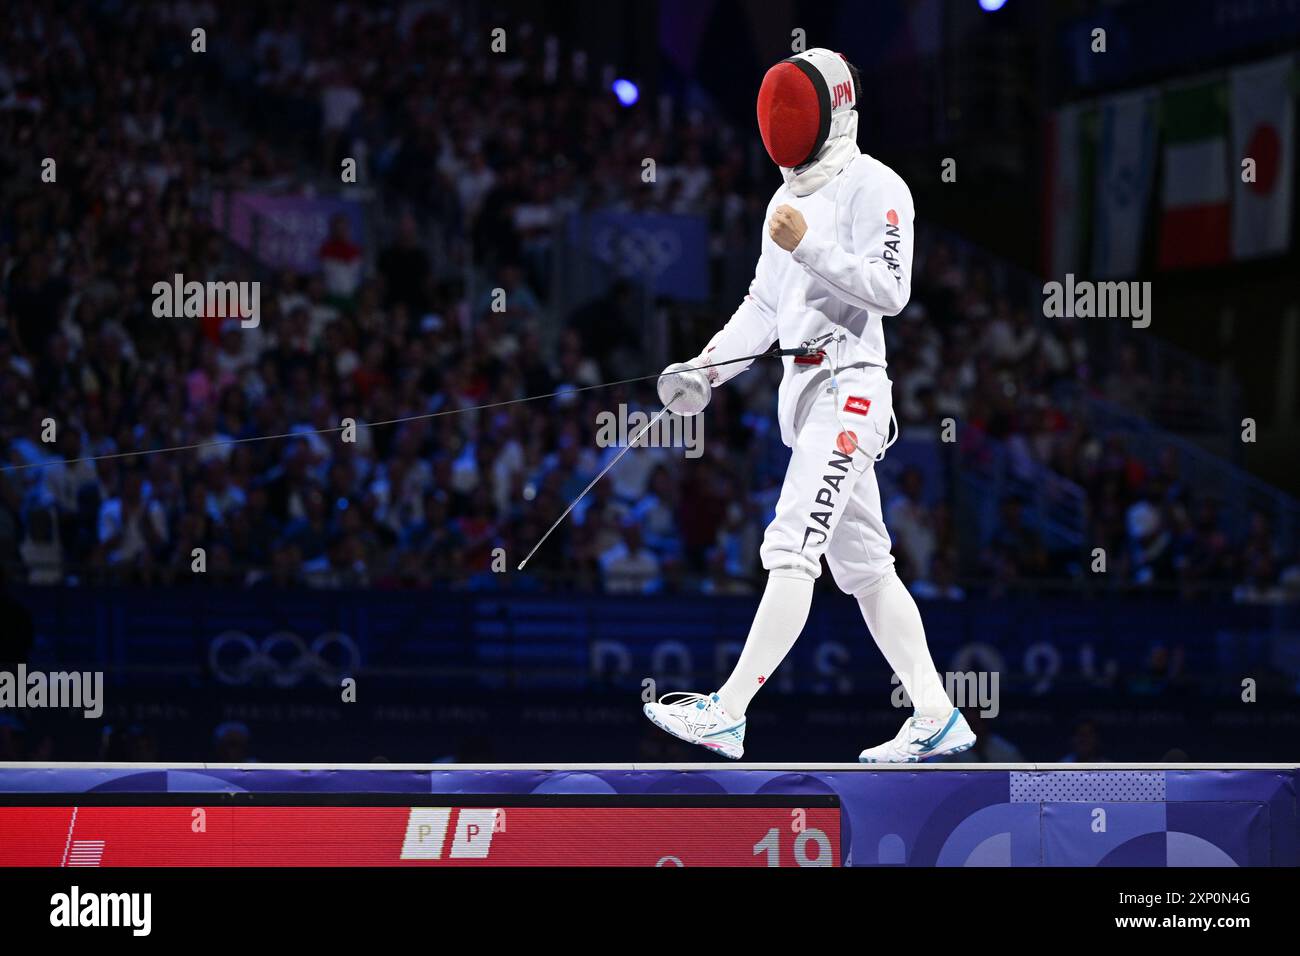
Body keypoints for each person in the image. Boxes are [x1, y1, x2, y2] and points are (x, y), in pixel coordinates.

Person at [644, 48, 972, 762]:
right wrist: (705, 372)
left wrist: (814, 243)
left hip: (851, 391)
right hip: (808, 402)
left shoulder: (877, 186)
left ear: (836, 108)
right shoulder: (785, 199)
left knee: (791, 547)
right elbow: (764, 306)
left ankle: (728, 711)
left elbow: (892, 289)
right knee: (866, 569)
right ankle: (937, 714)